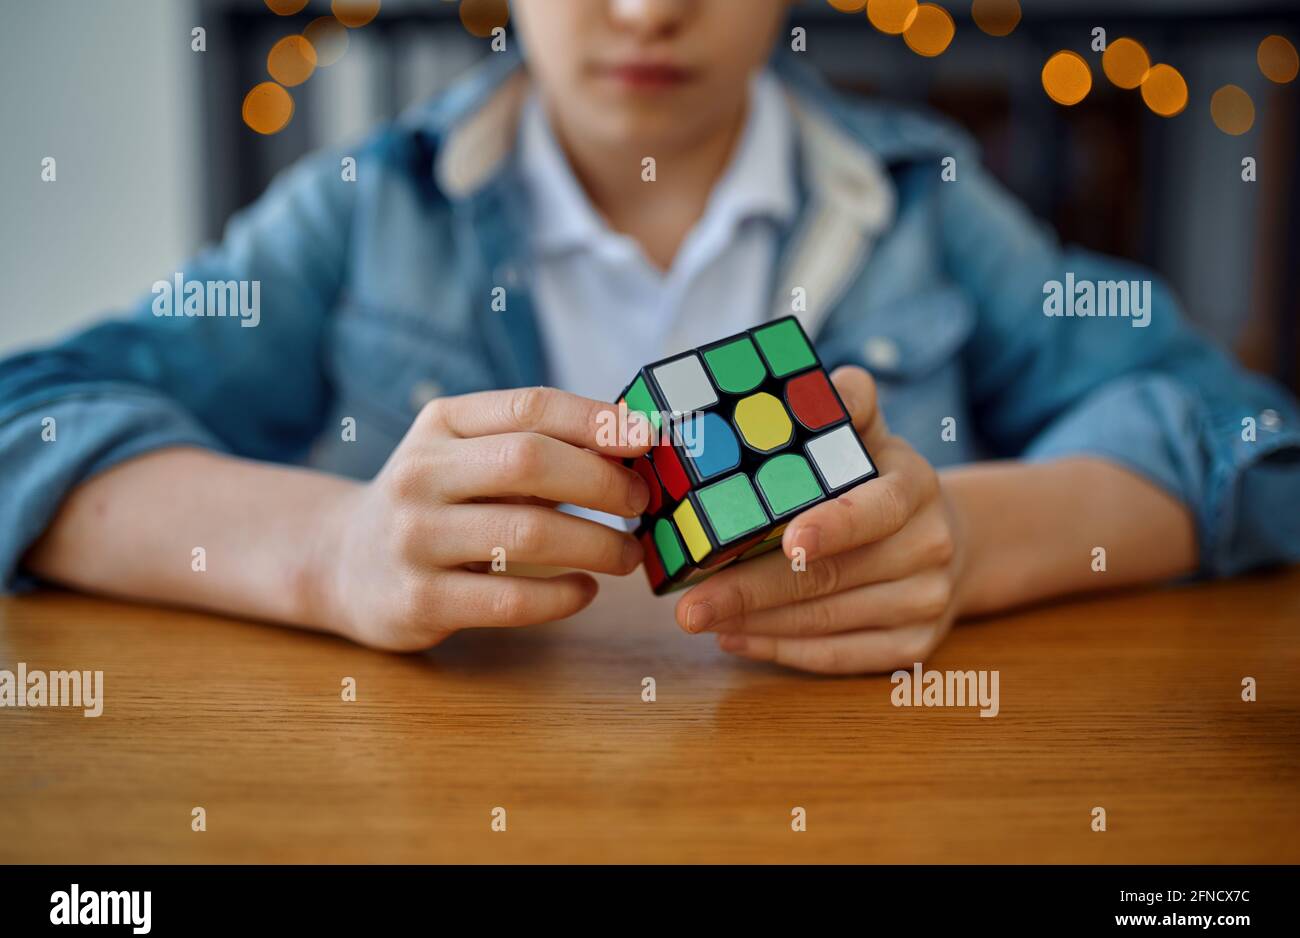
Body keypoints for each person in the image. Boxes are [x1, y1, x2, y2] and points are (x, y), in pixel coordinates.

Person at [1, 0, 1296, 672]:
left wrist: (964, 540)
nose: (646, 8)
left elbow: (1247, 435)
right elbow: (28, 423)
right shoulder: (367, 207)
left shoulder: (922, 204)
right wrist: (329, 552)